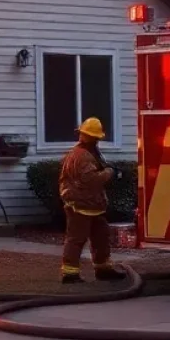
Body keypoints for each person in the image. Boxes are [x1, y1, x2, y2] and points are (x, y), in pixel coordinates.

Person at [59, 117, 120, 284]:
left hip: (92, 205)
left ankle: (103, 269)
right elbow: (91, 179)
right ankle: (70, 274)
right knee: (76, 239)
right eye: (93, 137)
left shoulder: (88, 153)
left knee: (101, 237)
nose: (95, 140)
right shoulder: (82, 156)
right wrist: (109, 172)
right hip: (80, 206)